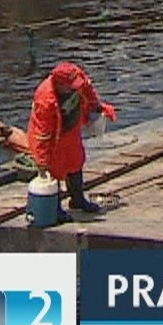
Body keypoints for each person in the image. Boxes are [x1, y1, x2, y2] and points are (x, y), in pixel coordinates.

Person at [27, 61, 117, 219]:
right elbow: (42, 134)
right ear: (60, 84)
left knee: (75, 161)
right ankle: (54, 207)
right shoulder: (45, 99)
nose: (76, 88)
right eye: (71, 87)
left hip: (71, 127)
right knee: (54, 169)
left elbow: (87, 88)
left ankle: (77, 199)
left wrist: (97, 107)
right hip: (52, 135)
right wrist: (42, 161)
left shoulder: (77, 76)